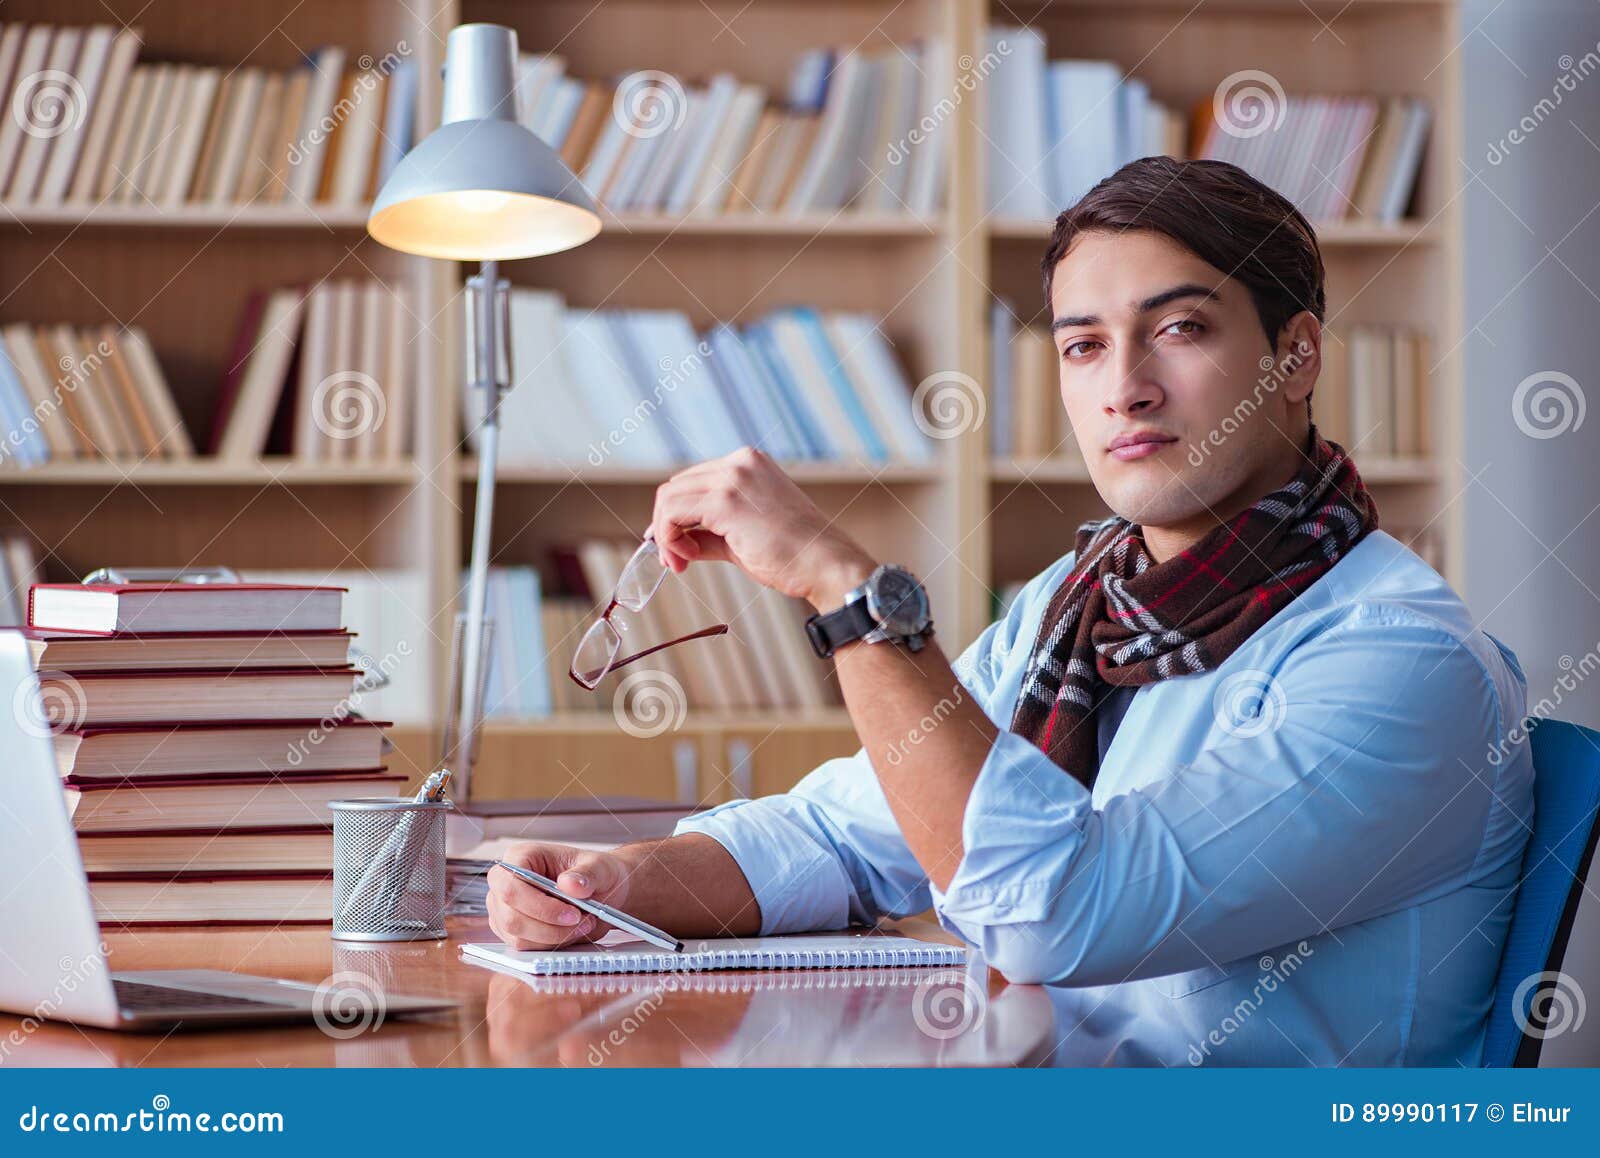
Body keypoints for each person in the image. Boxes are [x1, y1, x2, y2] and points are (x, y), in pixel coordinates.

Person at [486, 156, 1534, 1066]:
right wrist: (613, 881)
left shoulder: (1403, 663)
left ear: (1294, 355)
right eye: (1083, 345)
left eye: (1178, 329)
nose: (1124, 387)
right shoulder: (1075, 607)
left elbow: (1056, 913)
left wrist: (850, 596)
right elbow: (848, 835)